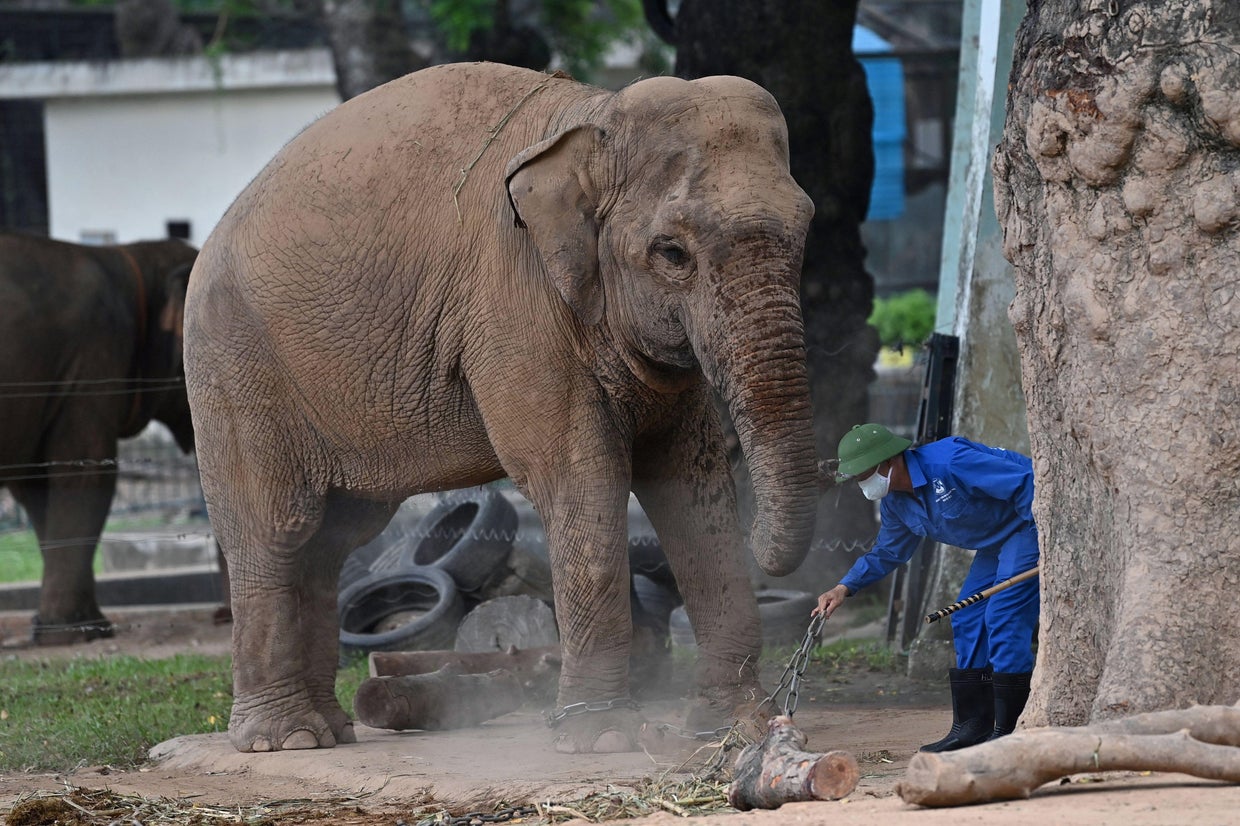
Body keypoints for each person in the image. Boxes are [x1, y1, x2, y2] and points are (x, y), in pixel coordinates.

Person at [814, 423, 1039, 752]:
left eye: (863, 475)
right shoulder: (895, 502)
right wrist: (843, 588)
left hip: (1025, 522)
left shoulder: (949, 462)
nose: (861, 484)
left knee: (1003, 613)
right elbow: (889, 552)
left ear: (888, 461)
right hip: (996, 539)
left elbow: (1026, 484)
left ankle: (1010, 729)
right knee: (966, 616)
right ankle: (972, 725)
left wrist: (1049, 537)